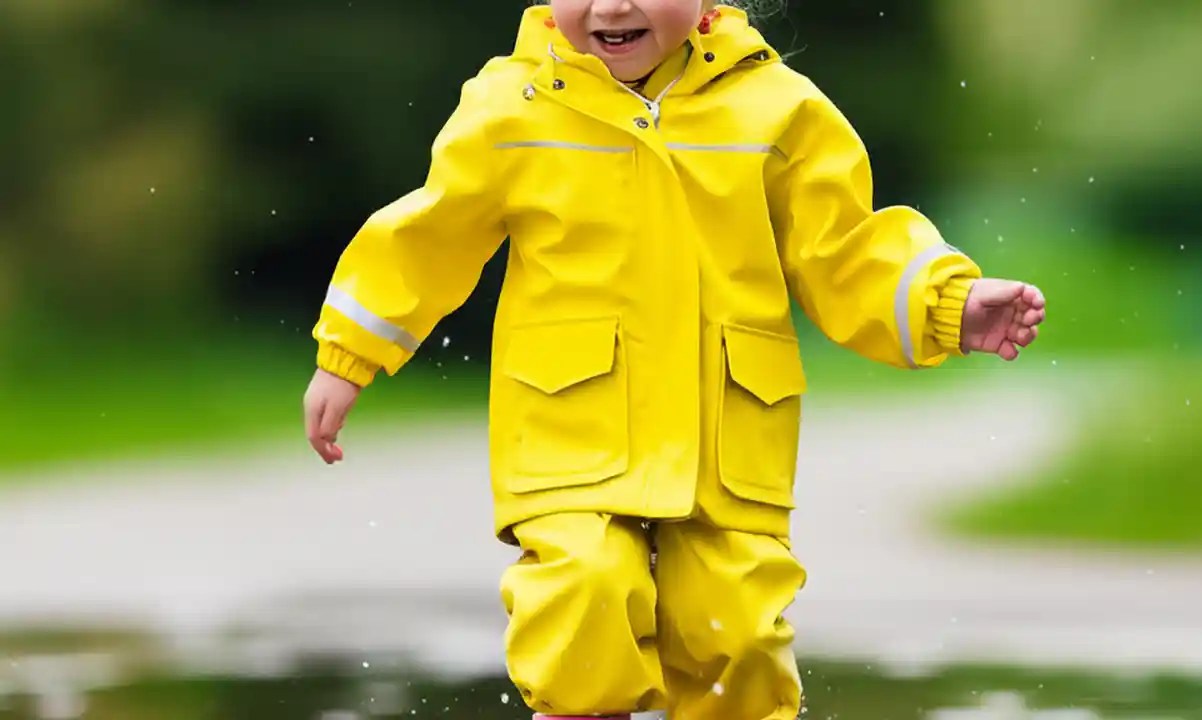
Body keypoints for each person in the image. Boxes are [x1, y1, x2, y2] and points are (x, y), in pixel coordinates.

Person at [302, 0, 1047, 717]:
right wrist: (348, 353)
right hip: (572, 427)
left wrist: (945, 304)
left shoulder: (776, 108)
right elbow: (427, 237)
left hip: (725, 437)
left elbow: (845, 247)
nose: (611, 6)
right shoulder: (512, 106)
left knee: (735, 632)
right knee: (583, 594)